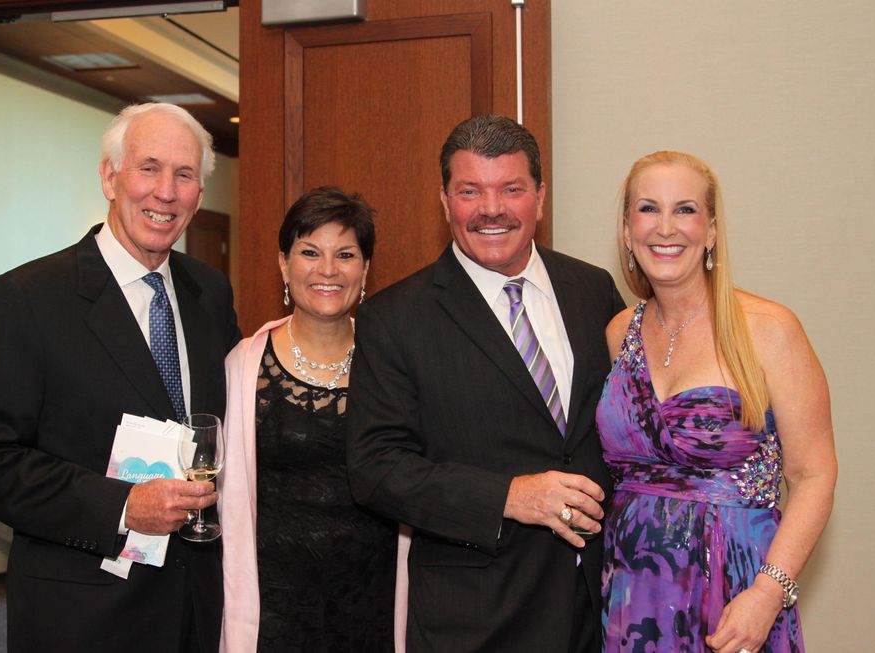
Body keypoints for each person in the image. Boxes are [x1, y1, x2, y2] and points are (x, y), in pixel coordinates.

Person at [0, 103, 240, 652]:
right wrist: (123, 508)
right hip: (82, 615)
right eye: (149, 167)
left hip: (196, 607)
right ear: (110, 176)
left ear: (199, 195)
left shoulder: (211, 293)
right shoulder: (25, 299)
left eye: (185, 175)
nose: (166, 192)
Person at [345, 114, 626, 651]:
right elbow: (375, 469)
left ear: (539, 198)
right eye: (470, 191)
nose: (491, 209)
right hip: (475, 620)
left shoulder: (593, 289)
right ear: (445, 201)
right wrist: (510, 496)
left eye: (511, 190)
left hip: (601, 605)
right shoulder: (395, 317)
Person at [596, 151, 837, 653]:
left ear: (709, 231)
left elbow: (813, 474)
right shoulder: (621, 333)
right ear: (626, 229)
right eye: (647, 209)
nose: (665, 228)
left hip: (735, 592)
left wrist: (769, 594)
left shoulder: (768, 329)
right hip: (631, 593)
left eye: (684, 209)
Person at [219, 186, 398, 651]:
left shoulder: (393, 366)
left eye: (346, 254)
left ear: (365, 269)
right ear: (284, 264)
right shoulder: (242, 365)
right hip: (274, 613)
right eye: (309, 252)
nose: (328, 270)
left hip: (374, 606)